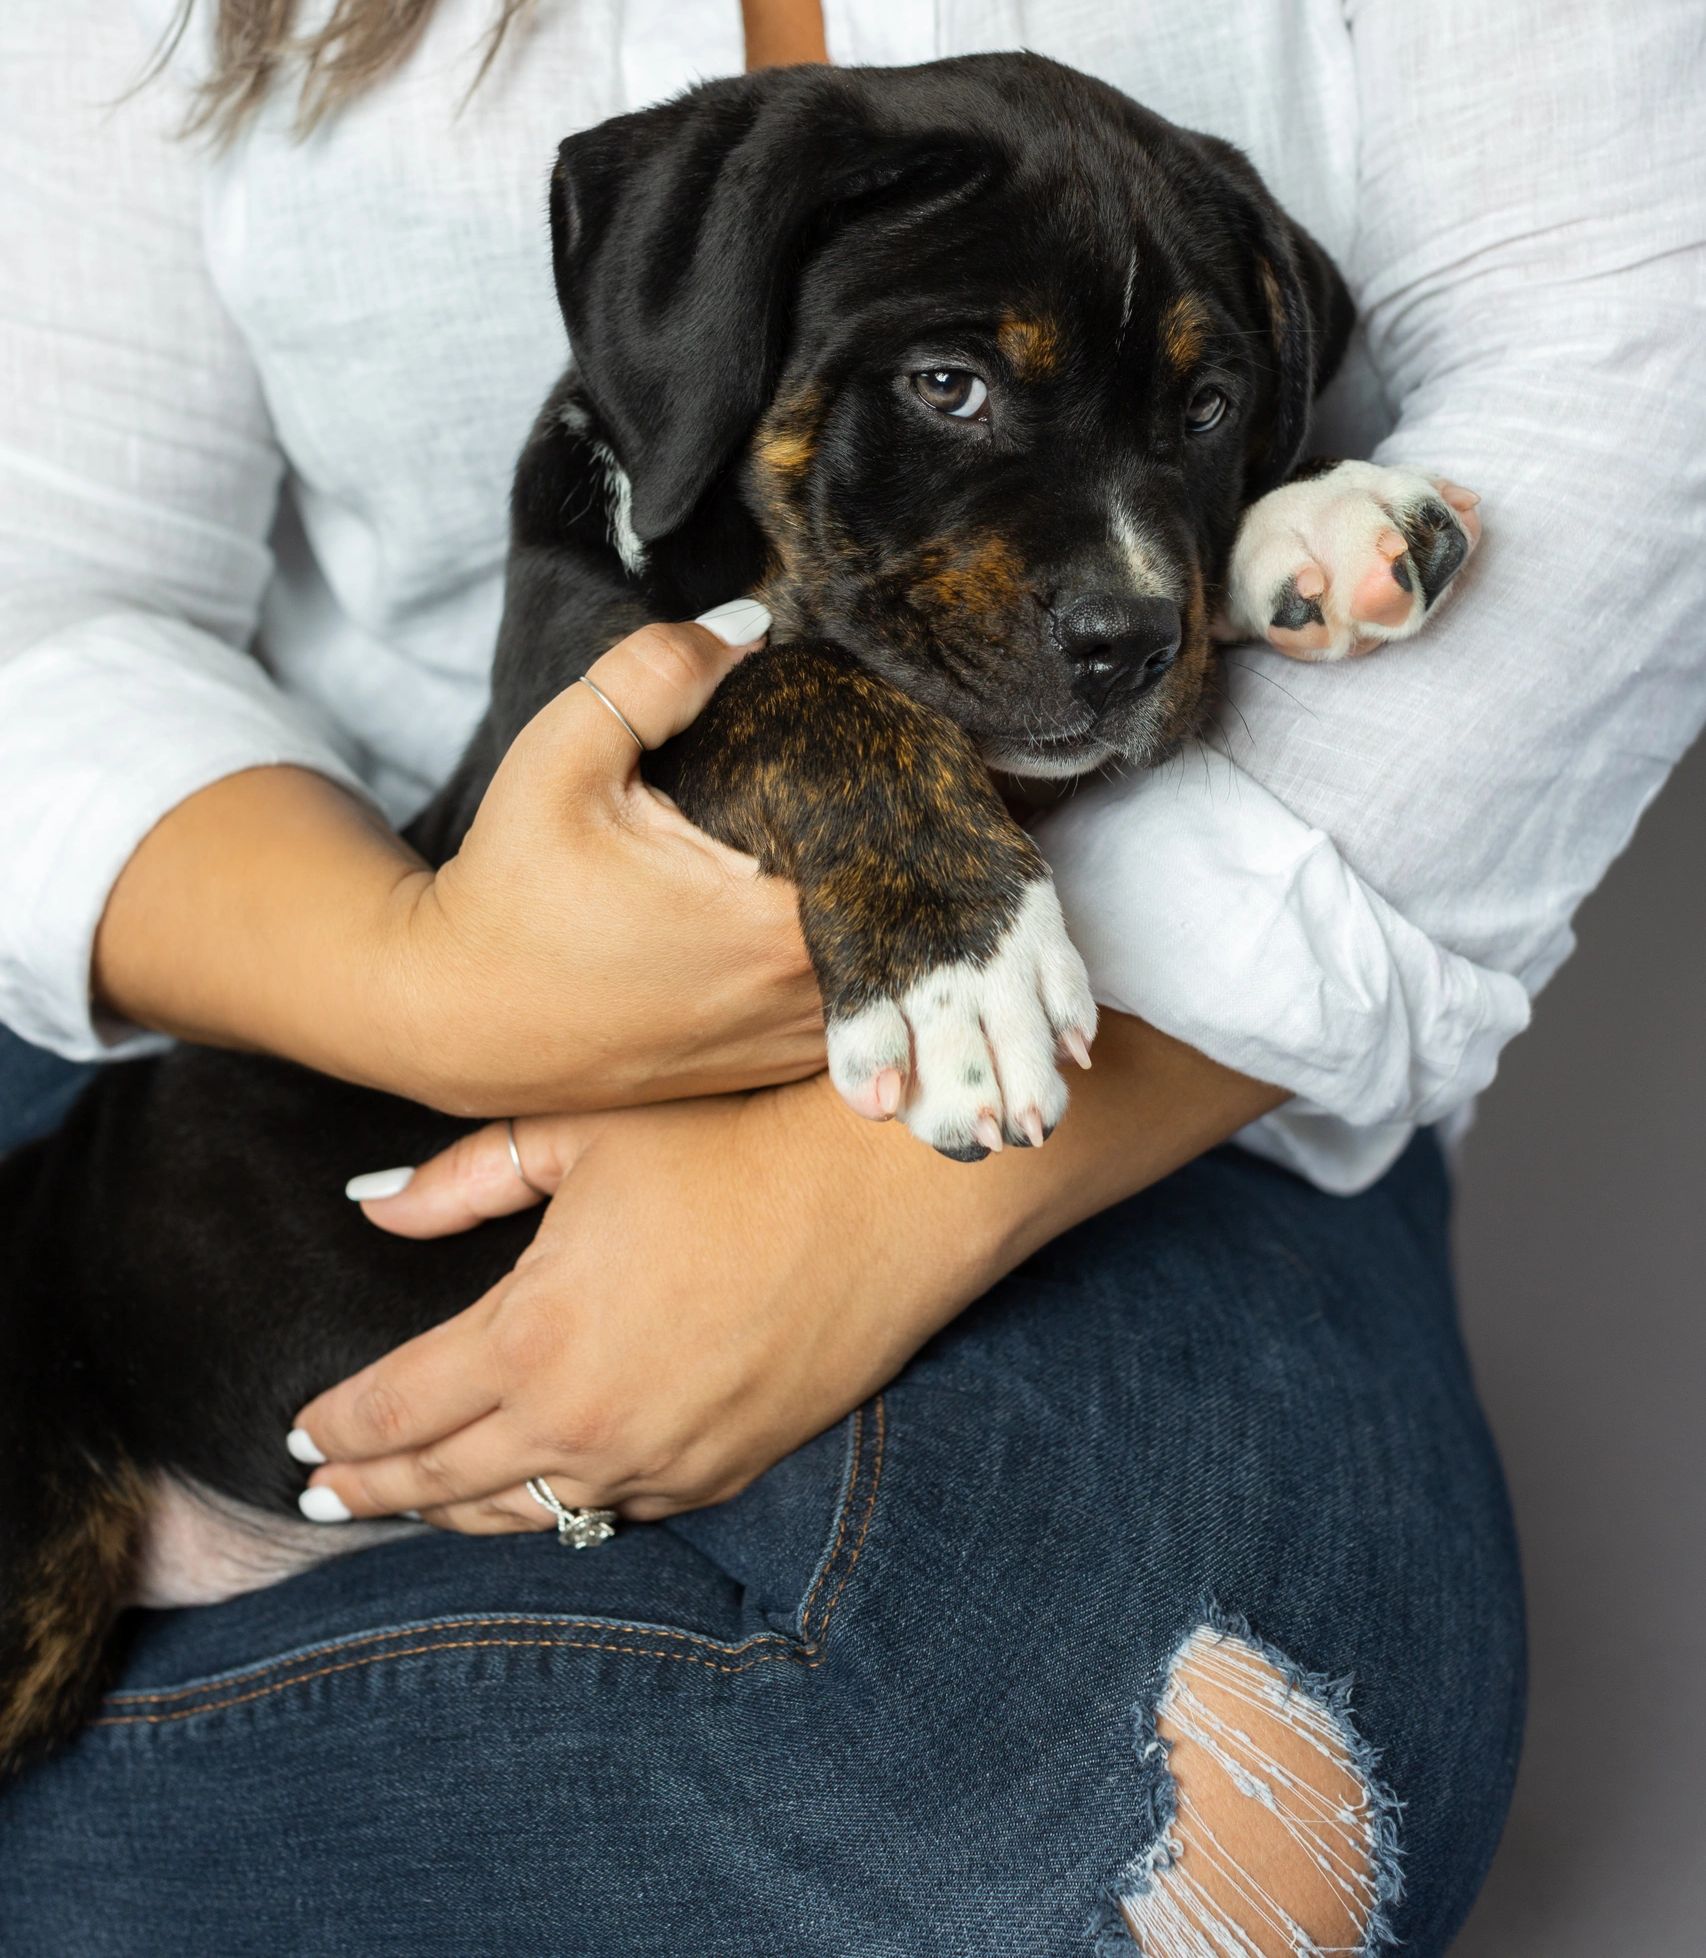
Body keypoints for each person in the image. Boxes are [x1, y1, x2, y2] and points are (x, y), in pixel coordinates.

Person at [0, 0, 1698, 1950]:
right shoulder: (639, 505)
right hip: (260, 1071)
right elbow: (49, 606)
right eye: (961, 388)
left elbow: (1625, 393)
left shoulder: (1149, 523)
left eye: (1208, 419)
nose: (1124, 591)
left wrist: (864, 1197)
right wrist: (428, 979)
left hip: (1157, 1087)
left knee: (1189, 1809)